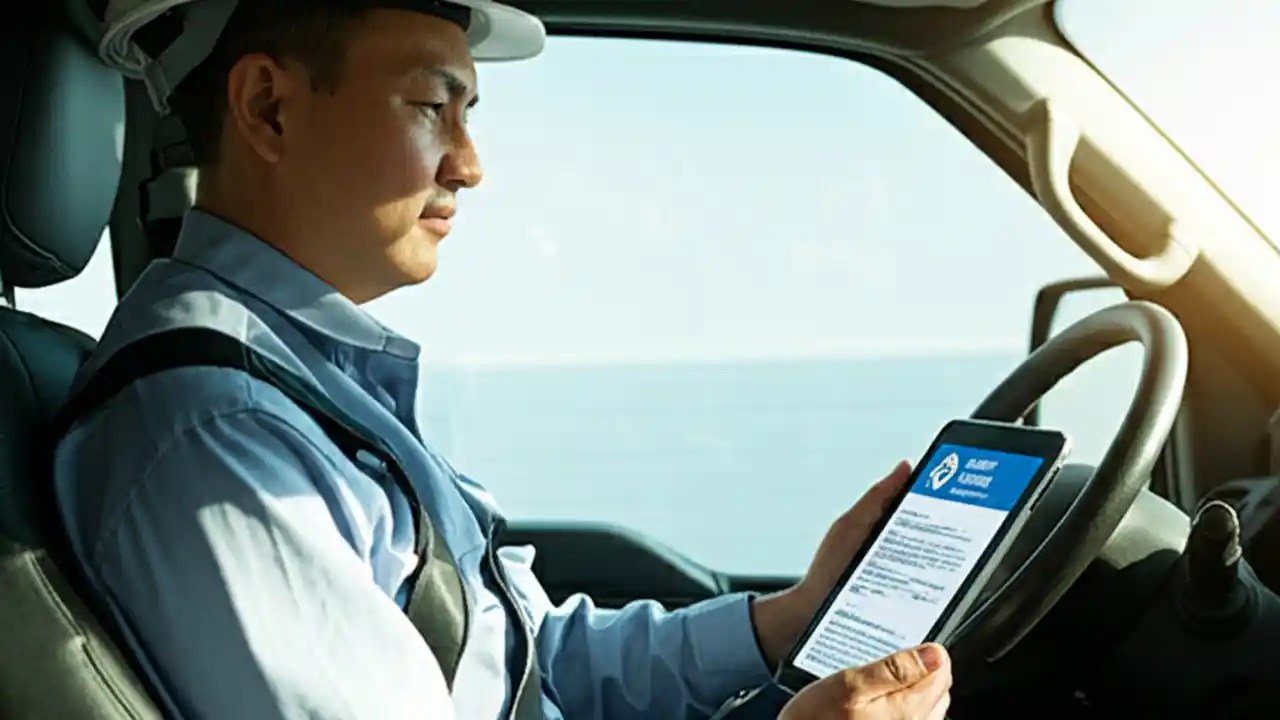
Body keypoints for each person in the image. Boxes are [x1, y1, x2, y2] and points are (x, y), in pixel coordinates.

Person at [54, 1, 953, 718]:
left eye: (467, 113)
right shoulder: (217, 432)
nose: (470, 164)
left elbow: (522, 662)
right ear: (269, 108)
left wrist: (785, 621)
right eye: (428, 105)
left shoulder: (300, 378)